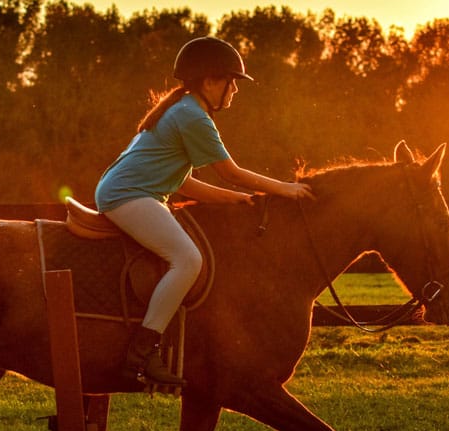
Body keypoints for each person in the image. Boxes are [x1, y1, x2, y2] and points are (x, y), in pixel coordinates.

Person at [95, 36, 314, 387]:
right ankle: (141, 352)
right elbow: (231, 172)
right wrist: (286, 189)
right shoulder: (192, 116)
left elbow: (184, 184)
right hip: (128, 196)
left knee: (186, 256)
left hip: (132, 194)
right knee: (188, 260)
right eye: (232, 82)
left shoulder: (181, 109)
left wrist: (237, 200)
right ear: (211, 81)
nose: (235, 91)